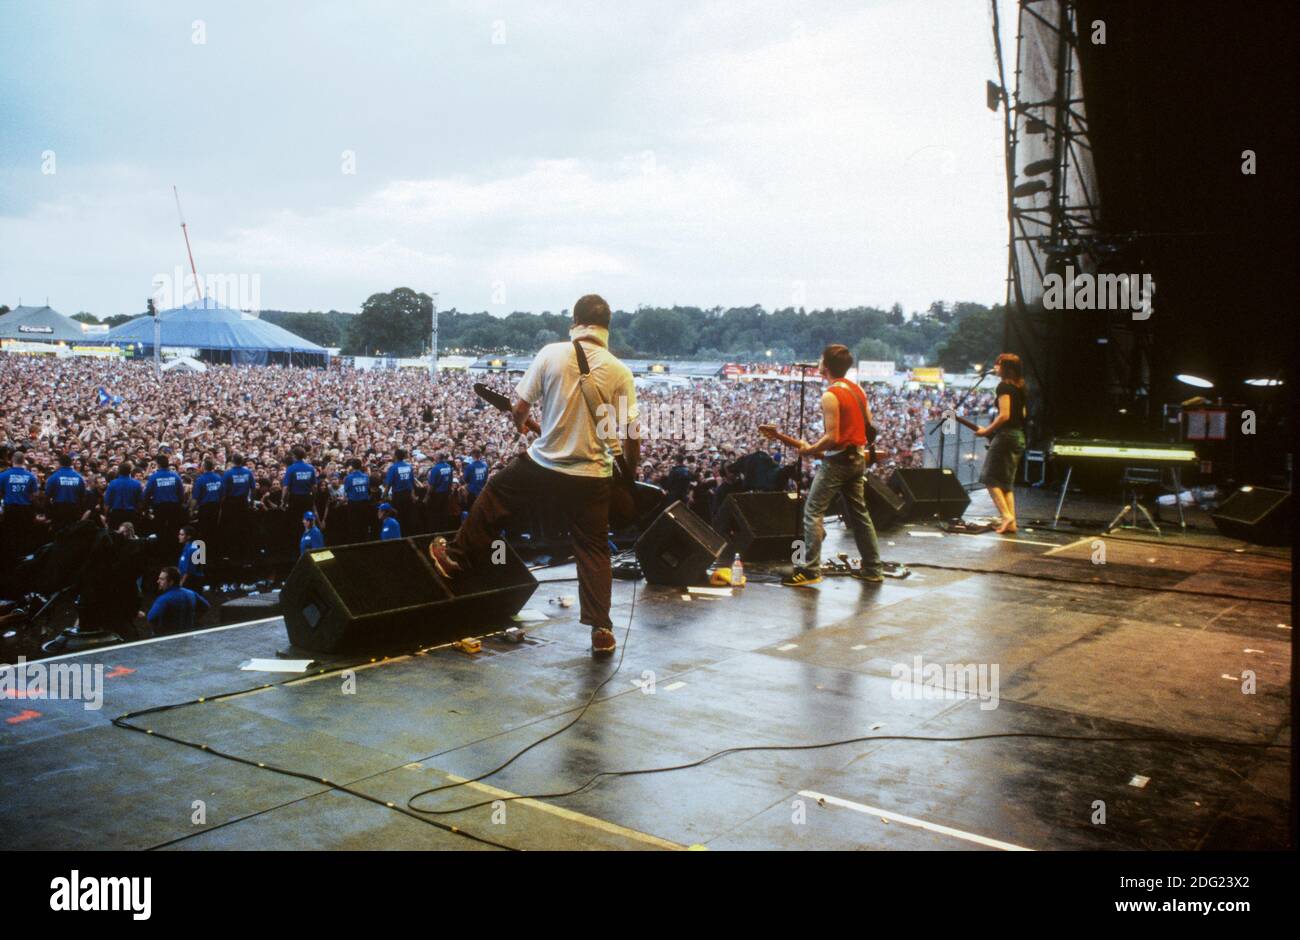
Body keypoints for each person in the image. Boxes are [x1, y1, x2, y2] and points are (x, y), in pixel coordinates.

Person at [428, 293, 638, 658]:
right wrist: (628, 477)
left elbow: (520, 408)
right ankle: (602, 630)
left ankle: (456, 556)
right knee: (593, 549)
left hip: (546, 464)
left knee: (495, 494)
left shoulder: (551, 353)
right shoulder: (620, 371)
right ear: (607, 327)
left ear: (575, 321)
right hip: (593, 473)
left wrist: (522, 423)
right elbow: (630, 433)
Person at [761, 343, 883, 588]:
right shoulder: (857, 389)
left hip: (838, 461)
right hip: (857, 459)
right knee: (860, 516)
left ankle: (810, 569)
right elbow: (870, 426)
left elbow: (833, 437)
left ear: (825, 366)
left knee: (812, 511)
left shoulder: (831, 395)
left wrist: (811, 449)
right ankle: (873, 568)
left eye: (819, 359)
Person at [974, 353, 1028, 534]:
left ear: (1006, 368)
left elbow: (1004, 415)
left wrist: (986, 431)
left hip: (1006, 436)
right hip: (1019, 435)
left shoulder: (1003, 386)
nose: (995, 367)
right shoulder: (1021, 387)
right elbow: (1024, 414)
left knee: (989, 478)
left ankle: (1006, 516)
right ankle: (1011, 523)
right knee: (1006, 482)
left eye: (998, 365)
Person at [144, 566, 210, 636]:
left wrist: (159, 630)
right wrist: (194, 619)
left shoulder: (163, 599)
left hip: (169, 639)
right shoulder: (191, 593)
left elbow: (151, 618)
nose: (158, 581)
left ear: (171, 582)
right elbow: (206, 606)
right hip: (188, 636)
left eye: (162, 579)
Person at [0, 451, 40, 563]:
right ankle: (23, 557)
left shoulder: (3, 475)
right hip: (25, 508)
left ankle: (8, 558)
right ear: (23, 461)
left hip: (10, 508)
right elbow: (35, 495)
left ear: (12, 460)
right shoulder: (31, 476)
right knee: (24, 533)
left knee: (9, 532)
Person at [144, 453, 186, 557]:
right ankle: (174, 552)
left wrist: (149, 506)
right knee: (173, 529)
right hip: (174, 507)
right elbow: (181, 493)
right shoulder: (175, 476)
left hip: (159, 507)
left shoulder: (154, 477)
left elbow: (146, 494)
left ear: (158, 464)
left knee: (160, 530)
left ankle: (160, 553)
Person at [219, 454, 256, 567]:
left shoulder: (228, 473)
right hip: (243, 503)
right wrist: (252, 501)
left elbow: (224, 492)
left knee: (231, 529)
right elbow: (253, 488)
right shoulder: (248, 472)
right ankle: (244, 554)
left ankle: (232, 555)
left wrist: (221, 505)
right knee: (243, 529)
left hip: (231, 504)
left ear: (232, 461)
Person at [282, 446, 318, 549]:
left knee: (295, 523)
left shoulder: (291, 468)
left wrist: (283, 501)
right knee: (308, 522)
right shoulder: (310, 468)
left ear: (294, 456)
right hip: (307, 498)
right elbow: (314, 486)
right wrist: (313, 499)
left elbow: (286, 487)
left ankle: (296, 546)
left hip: (295, 499)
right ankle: (310, 545)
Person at [45, 452, 87, 532]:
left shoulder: (54, 477)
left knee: (58, 532)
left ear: (60, 464)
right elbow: (83, 495)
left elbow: (47, 496)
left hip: (58, 509)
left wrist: (48, 514)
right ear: (71, 463)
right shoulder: (78, 477)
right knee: (72, 532)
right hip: (74, 508)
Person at [192, 457, 224, 551]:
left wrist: (191, 510)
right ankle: (213, 553)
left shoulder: (200, 480)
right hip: (216, 507)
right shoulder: (219, 478)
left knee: (203, 531)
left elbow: (195, 497)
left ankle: (201, 556)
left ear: (203, 467)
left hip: (205, 508)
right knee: (214, 530)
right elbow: (223, 494)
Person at [104, 461, 143, 533]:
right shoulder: (137, 483)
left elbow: (107, 502)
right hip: (131, 514)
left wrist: (106, 516)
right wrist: (139, 513)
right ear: (130, 471)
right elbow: (140, 502)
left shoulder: (113, 483)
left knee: (115, 535)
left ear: (119, 471)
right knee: (130, 535)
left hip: (116, 514)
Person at [342, 458, 373, 543]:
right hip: (364, 503)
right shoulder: (366, 476)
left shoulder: (348, 478)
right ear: (361, 466)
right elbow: (368, 489)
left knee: (354, 524)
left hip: (354, 504)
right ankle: (365, 541)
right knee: (364, 524)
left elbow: (347, 490)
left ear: (352, 466)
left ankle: (355, 542)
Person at [383, 448, 415, 524]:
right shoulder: (409, 466)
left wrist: (384, 496)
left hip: (398, 496)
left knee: (398, 516)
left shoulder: (393, 468)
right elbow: (412, 482)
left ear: (396, 456)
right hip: (408, 495)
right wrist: (413, 495)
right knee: (407, 516)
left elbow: (388, 484)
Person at [425, 452, 454, 532]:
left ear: (438, 458)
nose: (434, 458)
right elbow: (450, 481)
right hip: (446, 493)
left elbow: (432, 485)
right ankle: (444, 529)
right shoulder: (449, 467)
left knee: (435, 514)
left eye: (435, 457)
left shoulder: (435, 469)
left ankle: (435, 531)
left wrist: (426, 497)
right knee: (444, 512)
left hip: (437, 494)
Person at [177, 524, 206, 590]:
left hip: (191, 583)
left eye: (182, 535)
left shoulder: (193, 549)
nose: (179, 536)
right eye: (179, 534)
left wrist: (181, 584)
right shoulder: (186, 548)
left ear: (188, 536)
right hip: (188, 582)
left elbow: (189, 571)